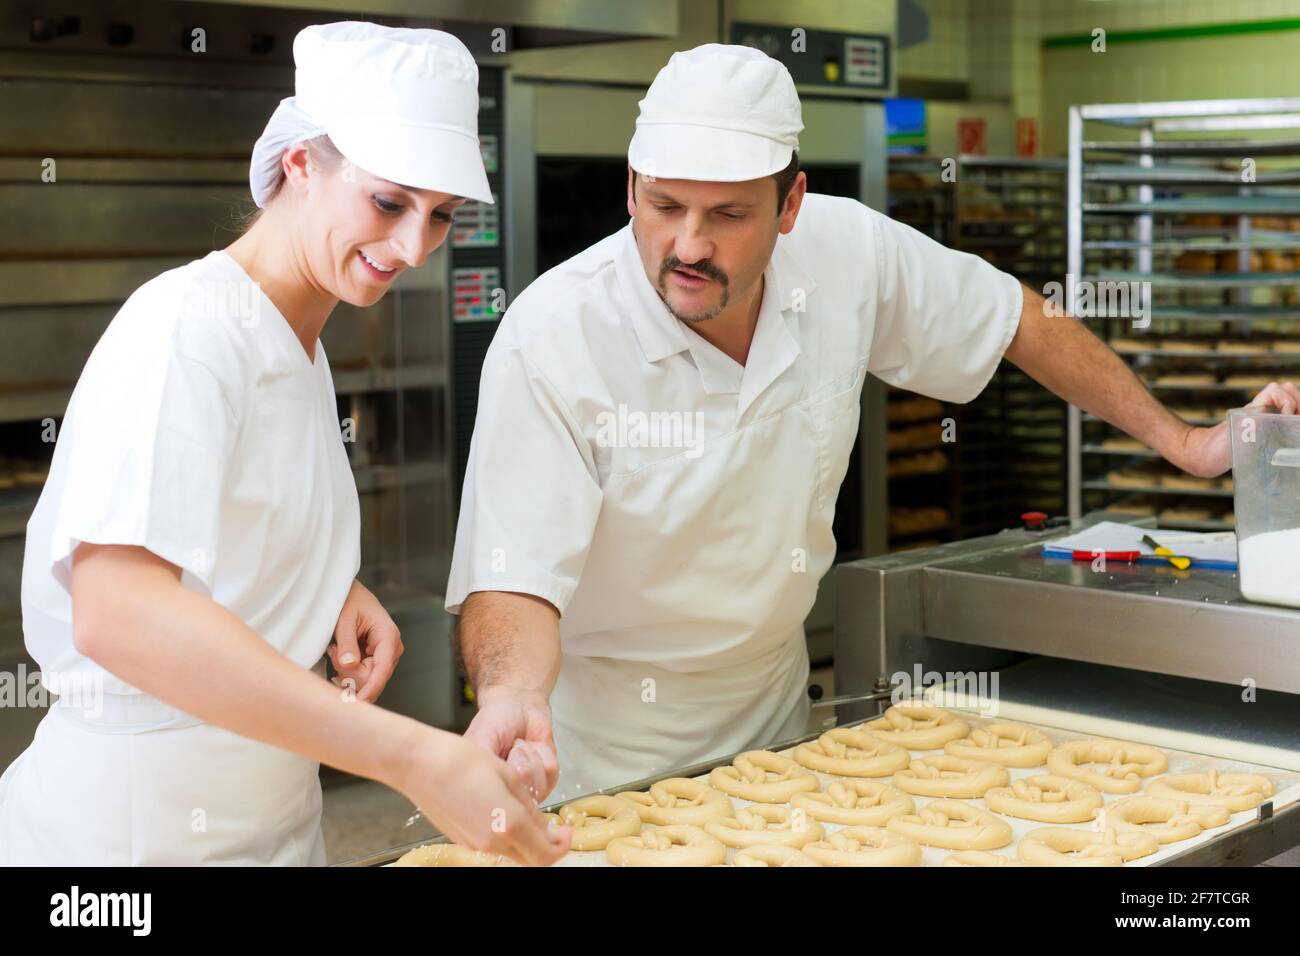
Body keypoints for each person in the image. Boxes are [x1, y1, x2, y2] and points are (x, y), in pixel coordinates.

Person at [447, 43, 1300, 802]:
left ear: (791, 206)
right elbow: (511, 570)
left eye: (729, 215)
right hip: (593, 763)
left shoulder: (844, 253)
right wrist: (512, 694)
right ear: (630, 187)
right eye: (664, 206)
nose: (690, 246)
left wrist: (1184, 441)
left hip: (779, 732)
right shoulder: (554, 335)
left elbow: (1018, 322)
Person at [0, 21, 566, 866]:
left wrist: (319, 583)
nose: (414, 246)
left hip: (265, 819)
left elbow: (223, 520)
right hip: (131, 837)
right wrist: (408, 754)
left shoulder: (295, 339)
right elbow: (116, 611)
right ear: (300, 164)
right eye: (387, 202)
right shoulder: (187, 329)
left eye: (440, 215)